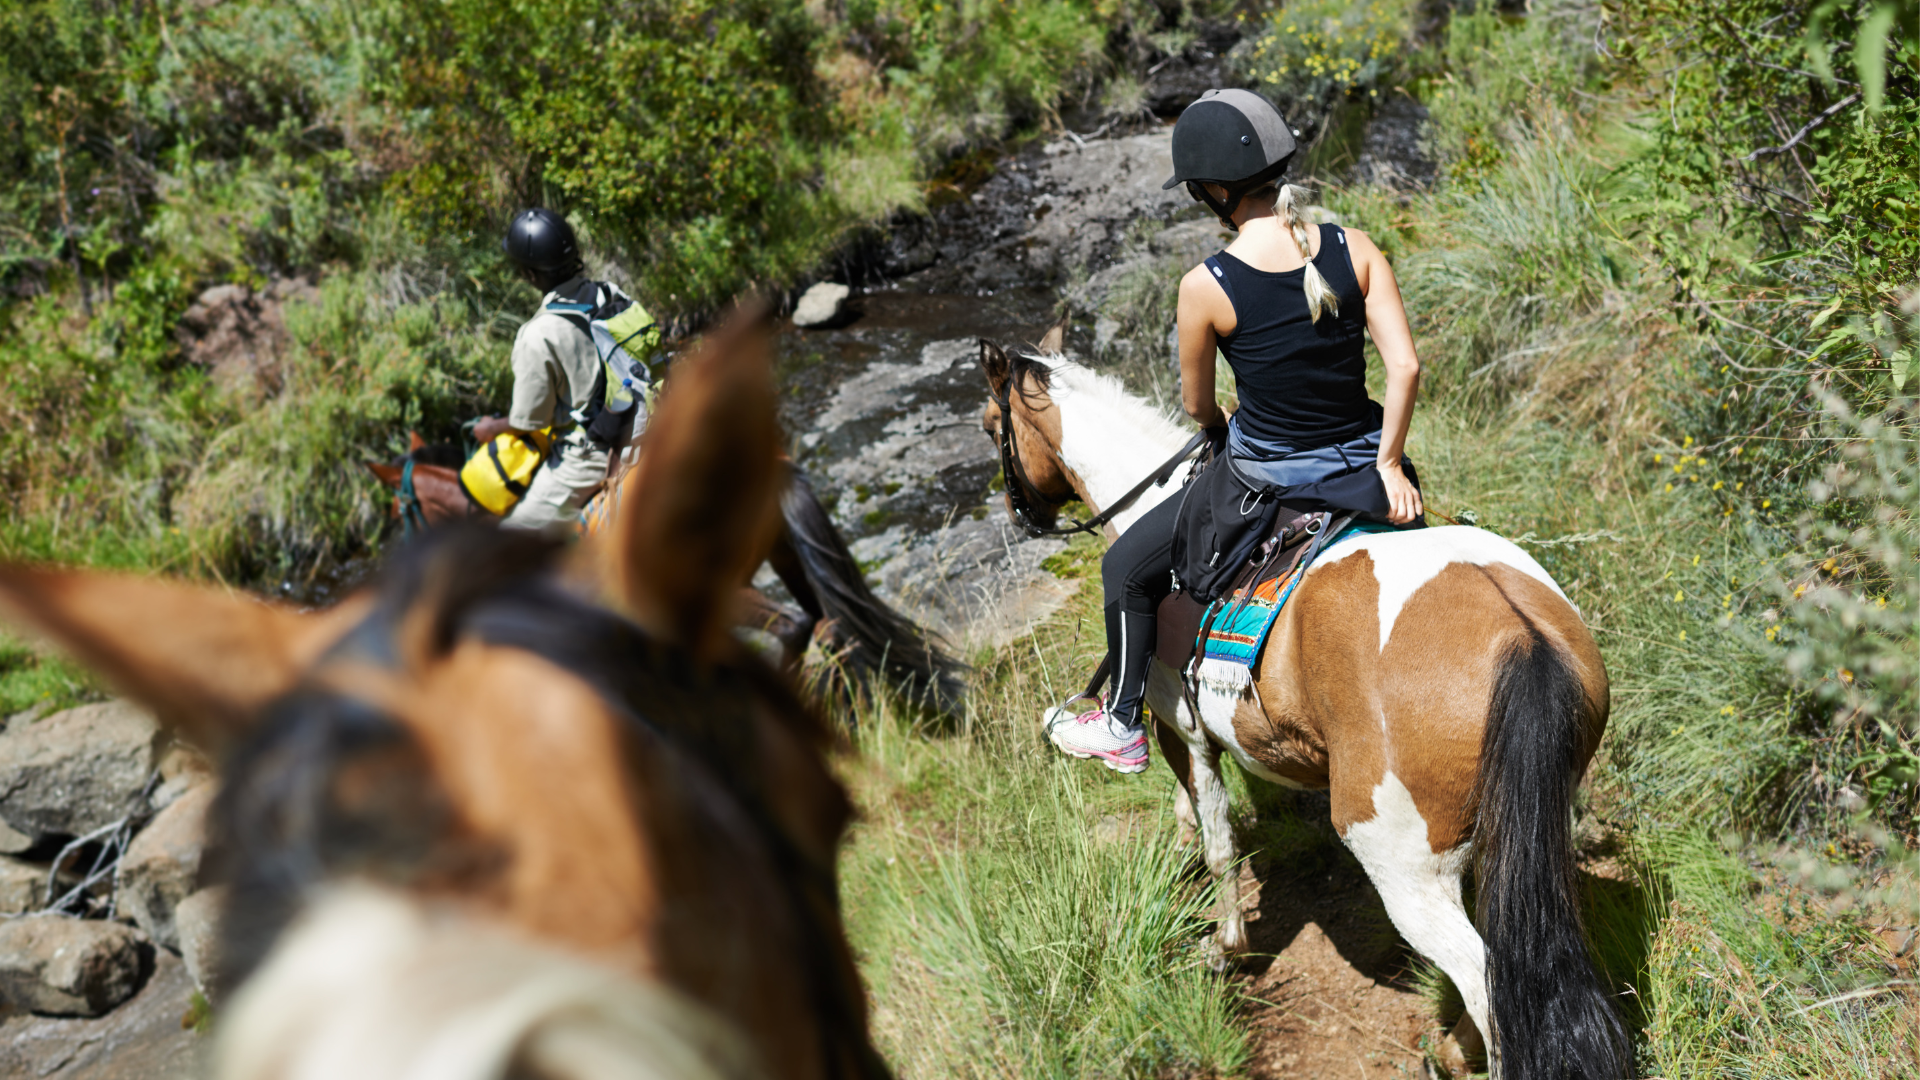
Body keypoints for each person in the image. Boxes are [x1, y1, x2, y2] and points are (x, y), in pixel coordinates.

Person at [1047, 88, 1425, 773]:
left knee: (1124, 567)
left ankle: (1125, 721)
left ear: (1215, 192)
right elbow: (1406, 367)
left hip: (1268, 480)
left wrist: (1222, 424)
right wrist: (1391, 465)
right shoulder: (1355, 246)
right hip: (1365, 468)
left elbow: (1198, 407)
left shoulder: (1205, 285)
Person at [474, 207, 620, 534]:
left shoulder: (536, 335)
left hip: (590, 455)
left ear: (529, 274)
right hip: (642, 426)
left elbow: (532, 421)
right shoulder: (610, 293)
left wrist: (492, 427)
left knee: (512, 541)